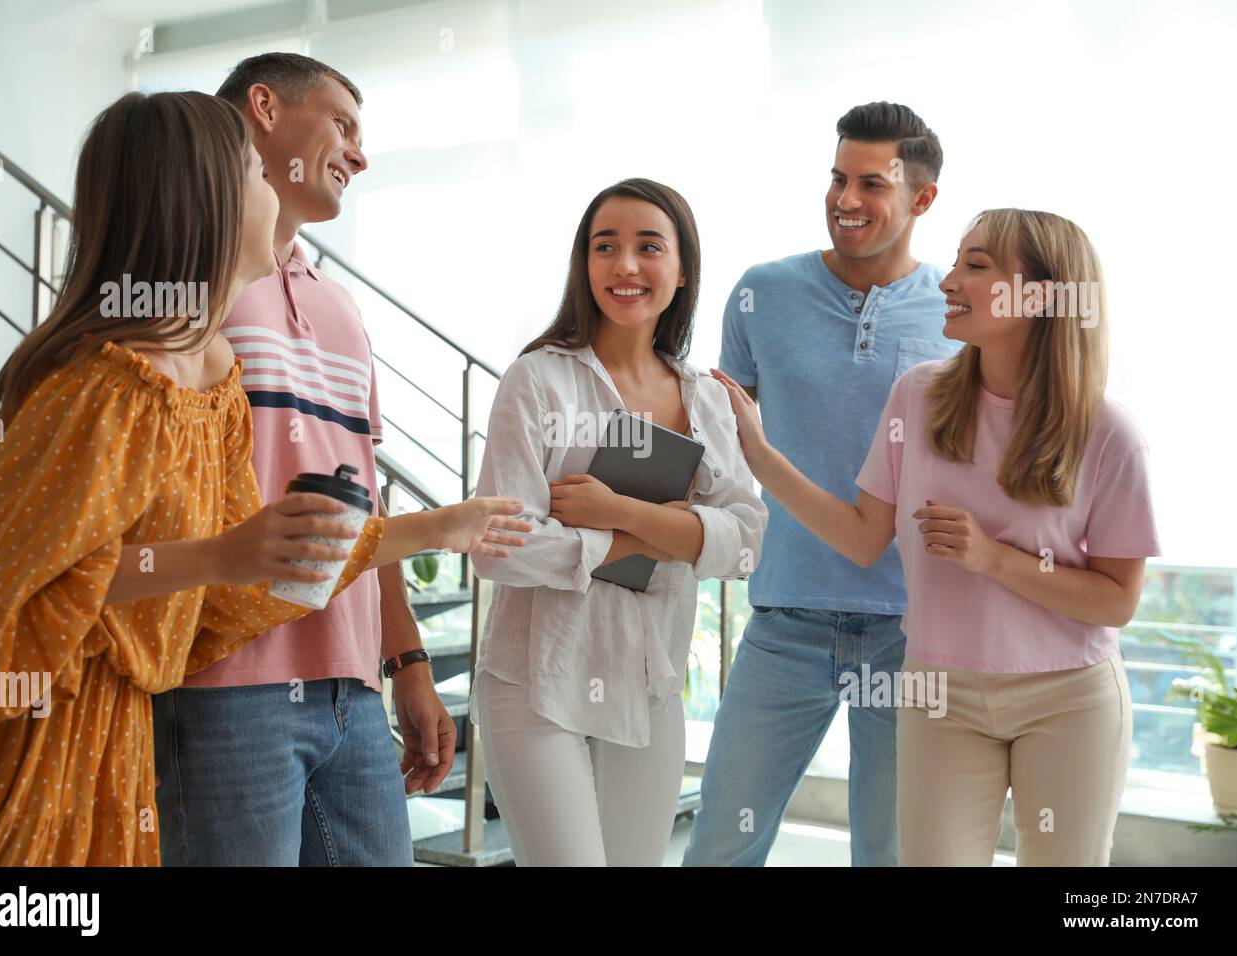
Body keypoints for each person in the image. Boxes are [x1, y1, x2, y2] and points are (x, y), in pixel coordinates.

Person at [0, 90, 529, 867]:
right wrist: (223, 554)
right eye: (257, 173)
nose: (274, 188)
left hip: (122, 748)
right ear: (204, 200)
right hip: (43, 757)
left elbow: (236, 596)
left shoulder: (218, 383)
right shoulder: (100, 392)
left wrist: (429, 532)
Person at [712, 207, 1159, 866]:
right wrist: (760, 456)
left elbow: (1117, 601)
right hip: (939, 691)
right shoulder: (917, 398)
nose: (948, 280)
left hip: (1068, 699)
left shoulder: (1109, 434)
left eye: (974, 266)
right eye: (956, 260)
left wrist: (993, 558)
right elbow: (864, 536)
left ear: (1037, 295)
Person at [152, 52, 450, 868]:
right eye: (343, 125)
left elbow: (368, 503)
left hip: (352, 687)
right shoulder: (184, 282)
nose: (359, 154)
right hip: (221, 681)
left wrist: (406, 664)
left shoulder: (339, 305)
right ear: (264, 108)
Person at [684, 102, 956, 867]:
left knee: (894, 852)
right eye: (838, 177)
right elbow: (716, 445)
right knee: (719, 846)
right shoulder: (760, 293)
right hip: (784, 616)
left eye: (872, 183)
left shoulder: (956, 308)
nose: (846, 199)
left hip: (916, 629)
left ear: (922, 198)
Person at [468, 178, 767, 866]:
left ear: (682, 268)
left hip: (648, 683)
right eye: (605, 247)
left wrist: (617, 514)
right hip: (536, 681)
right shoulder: (539, 380)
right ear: (585, 264)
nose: (624, 265)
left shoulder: (706, 399)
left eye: (647, 247)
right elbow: (499, 548)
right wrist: (661, 533)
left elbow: (748, 540)